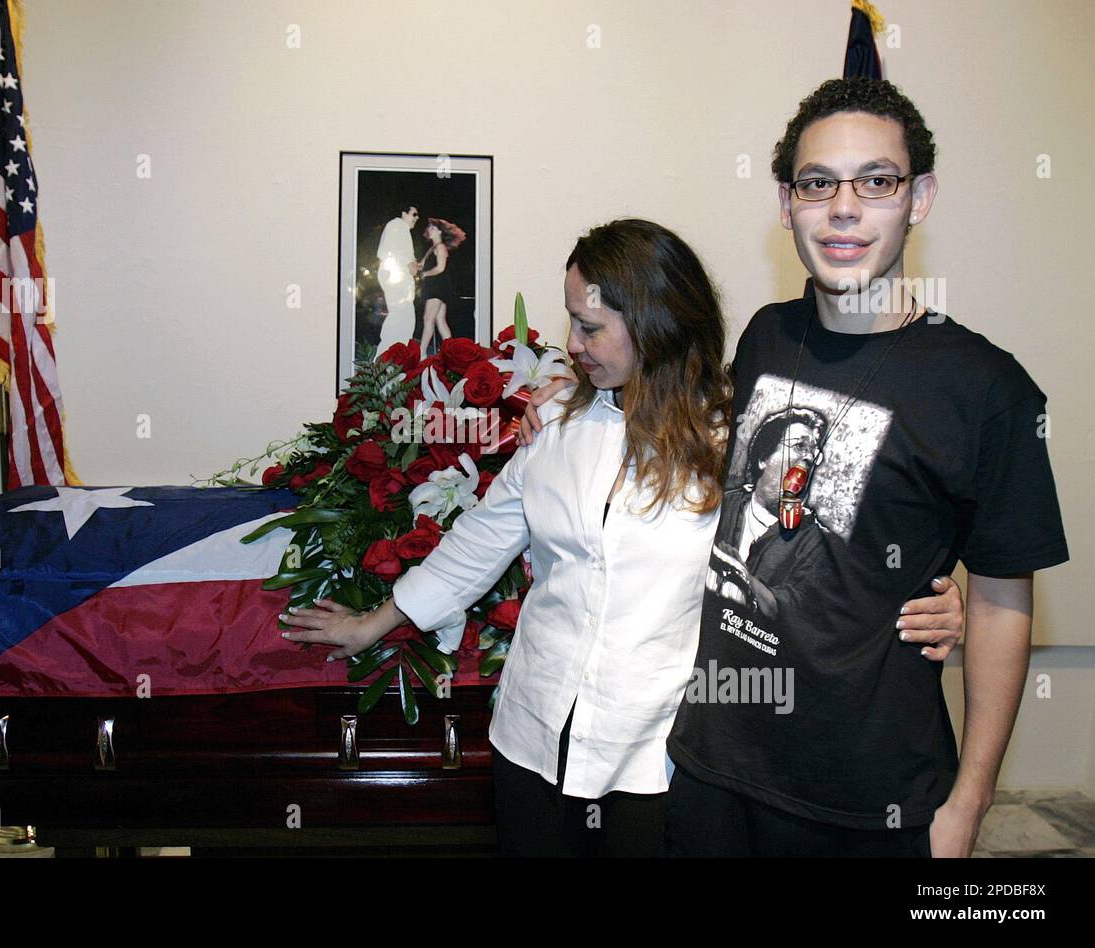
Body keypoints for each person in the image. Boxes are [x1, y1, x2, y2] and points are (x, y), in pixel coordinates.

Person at [281, 218, 965, 857]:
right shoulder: (558, 429)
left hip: (657, 762)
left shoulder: (739, 439)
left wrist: (939, 597)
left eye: (590, 327)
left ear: (655, 326)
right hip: (532, 741)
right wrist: (373, 624)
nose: (572, 345)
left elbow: (827, 548)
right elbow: (480, 542)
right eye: (572, 322)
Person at [525, 78, 1064, 858]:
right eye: (818, 184)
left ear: (919, 197)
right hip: (712, 774)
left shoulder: (989, 390)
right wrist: (567, 397)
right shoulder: (767, 337)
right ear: (787, 204)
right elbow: (682, 432)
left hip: (870, 801)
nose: (844, 207)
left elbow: (1005, 599)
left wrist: (969, 804)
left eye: (877, 181)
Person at [375, 204, 420, 357]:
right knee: (403, 319)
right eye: (414, 214)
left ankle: (390, 356)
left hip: (393, 276)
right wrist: (412, 265)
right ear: (403, 213)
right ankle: (387, 356)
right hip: (397, 278)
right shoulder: (399, 226)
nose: (416, 218)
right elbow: (404, 255)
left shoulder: (394, 227)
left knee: (401, 317)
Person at [416, 217, 467, 355]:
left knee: (428, 318)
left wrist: (424, 274)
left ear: (439, 232)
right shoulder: (432, 248)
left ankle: (421, 353)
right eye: (429, 227)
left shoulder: (440, 247)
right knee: (440, 320)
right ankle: (452, 352)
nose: (429, 229)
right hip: (435, 287)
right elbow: (420, 265)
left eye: (433, 228)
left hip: (437, 288)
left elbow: (440, 268)